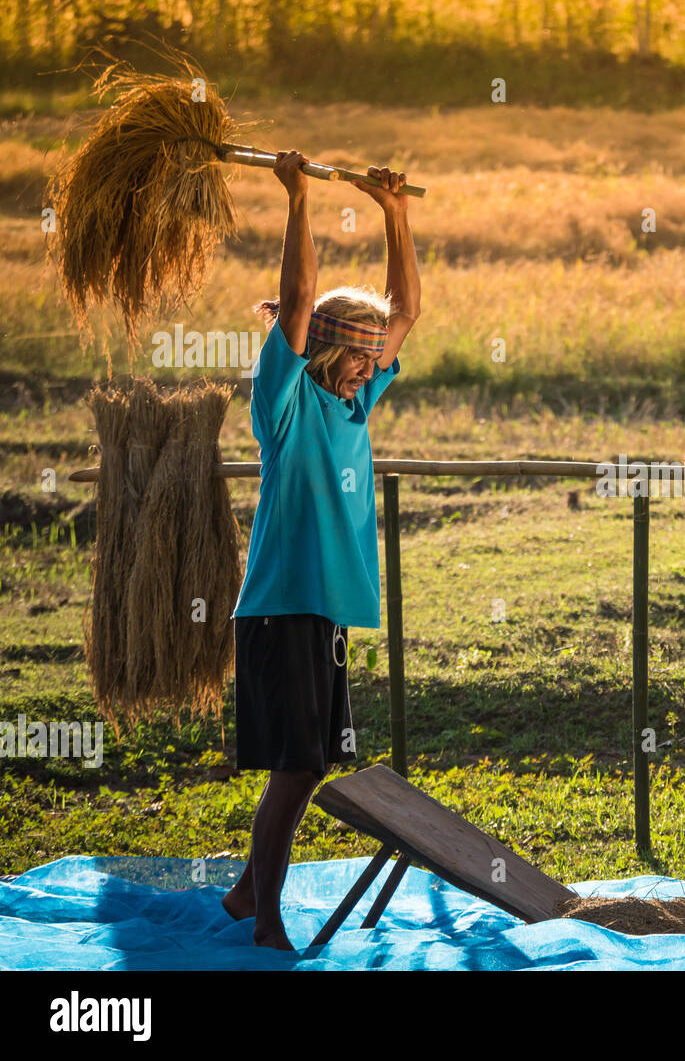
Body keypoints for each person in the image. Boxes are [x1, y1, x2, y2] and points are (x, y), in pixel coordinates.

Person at [220, 150, 420, 950]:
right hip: (280, 609)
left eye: (377, 355)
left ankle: (244, 892)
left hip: (322, 610)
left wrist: (394, 211)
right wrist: (298, 198)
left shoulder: (354, 406)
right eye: (365, 351)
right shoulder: (288, 400)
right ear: (332, 352)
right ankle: (267, 921)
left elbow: (406, 308)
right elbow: (300, 299)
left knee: (307, 763)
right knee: (299, 763)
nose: (377, 360)